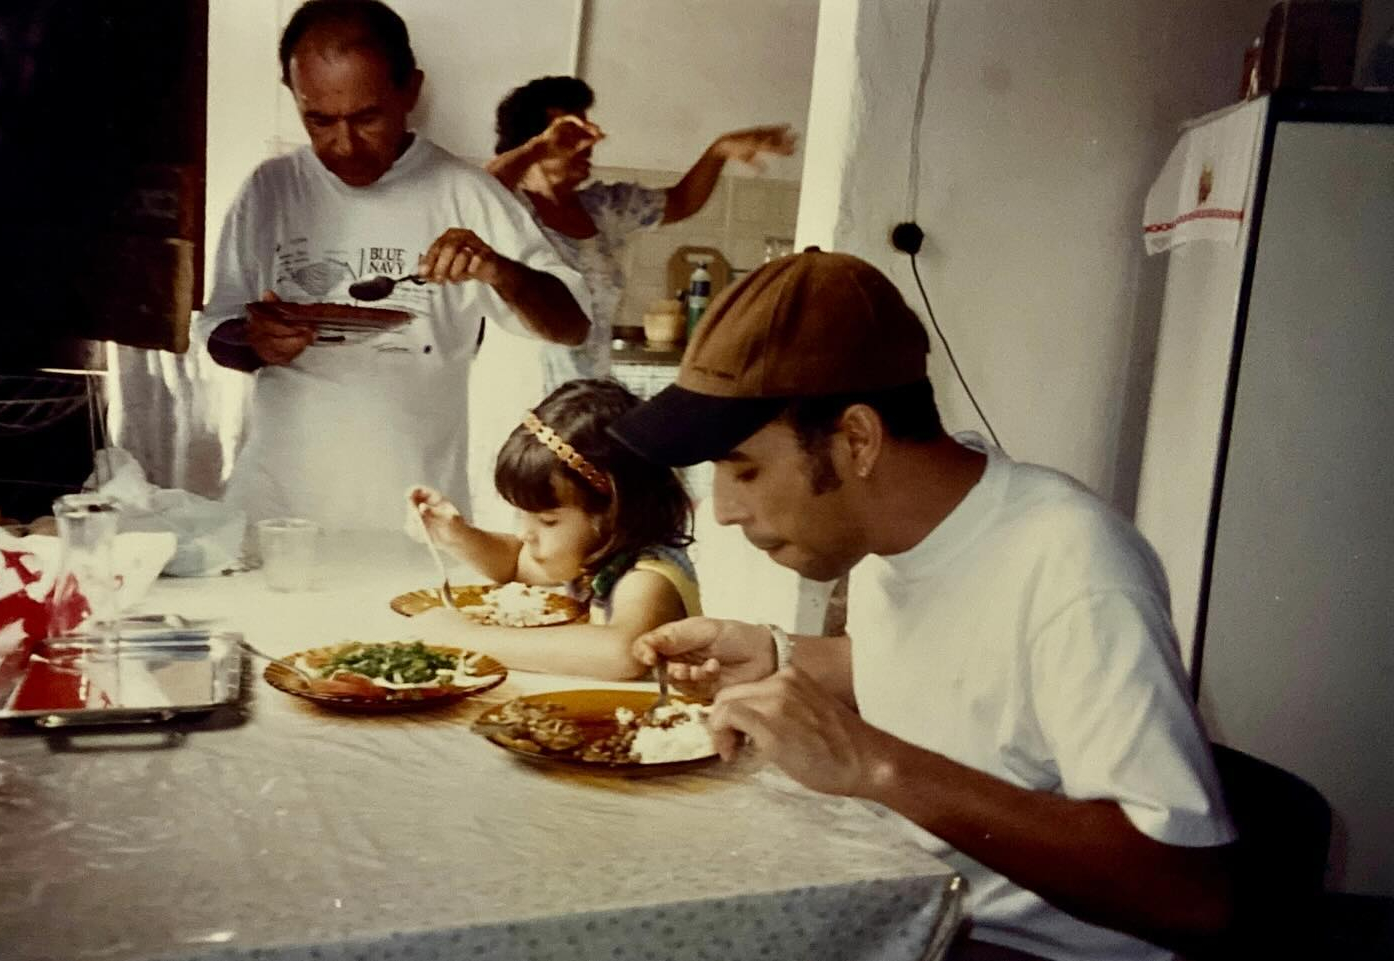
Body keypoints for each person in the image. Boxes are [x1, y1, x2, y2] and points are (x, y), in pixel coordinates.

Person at [608, 251, 1238, 961]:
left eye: (744, 469)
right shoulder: (903, 532)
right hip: (909, 911)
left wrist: (874, 764)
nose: (722, 509)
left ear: (857, 439)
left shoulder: (1073, 563)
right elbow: (970, 669)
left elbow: (1189, 891)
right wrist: (781, 654)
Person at [197, 1, 592, 532]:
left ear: (411, 90)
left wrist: (500, 270)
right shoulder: (270, 189)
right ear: (295, 97)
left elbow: (571, 325)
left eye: (367, 117)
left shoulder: (466, 192)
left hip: (413, 517)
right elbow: (217, 330)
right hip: (274, 511)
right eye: (318, 119)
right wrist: (252, 340)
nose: (344, 144)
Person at [485, 75, 796, 391]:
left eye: (586, 132)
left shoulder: (601, 208)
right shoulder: (509, 208)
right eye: (570, 134)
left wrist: (719, 150)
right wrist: (538, 148)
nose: (587, 144)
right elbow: (476, 191)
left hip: (583, 397)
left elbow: (682, 201)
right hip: (515, 392)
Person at [407, 378, 697, 680]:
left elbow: (624, 652)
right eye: (523, 516)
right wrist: (457, 535)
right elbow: (515, 563)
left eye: (547, 521)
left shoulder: (650, 576)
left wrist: (466, 638)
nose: (525, 534)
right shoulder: (591, 557)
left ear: (611, 513)